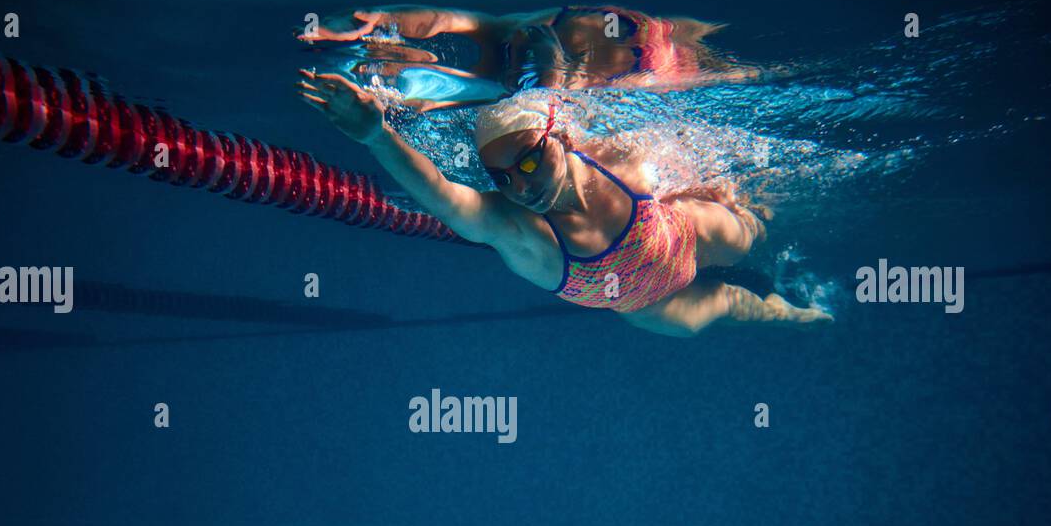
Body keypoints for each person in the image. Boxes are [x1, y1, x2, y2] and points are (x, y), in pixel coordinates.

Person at [295, 75, 832, 335]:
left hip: (685, 232)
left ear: (563, 136)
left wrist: (718, 195)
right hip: (649, 304)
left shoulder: (617, 157)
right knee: (739, 309)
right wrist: (378, 137)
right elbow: (445, 196)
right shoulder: (522, 233)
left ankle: (779, 260)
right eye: (500, 177)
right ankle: (800, 312)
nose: (520, 186)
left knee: (754, 233)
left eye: (528, 161)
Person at [299, 5, 763, 111]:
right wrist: (381, 20)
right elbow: (452, 20)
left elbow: (455, 22)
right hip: (545, 66)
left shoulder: (552, 72)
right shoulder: (572, 30)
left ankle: (380, 68)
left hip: (546, 77)